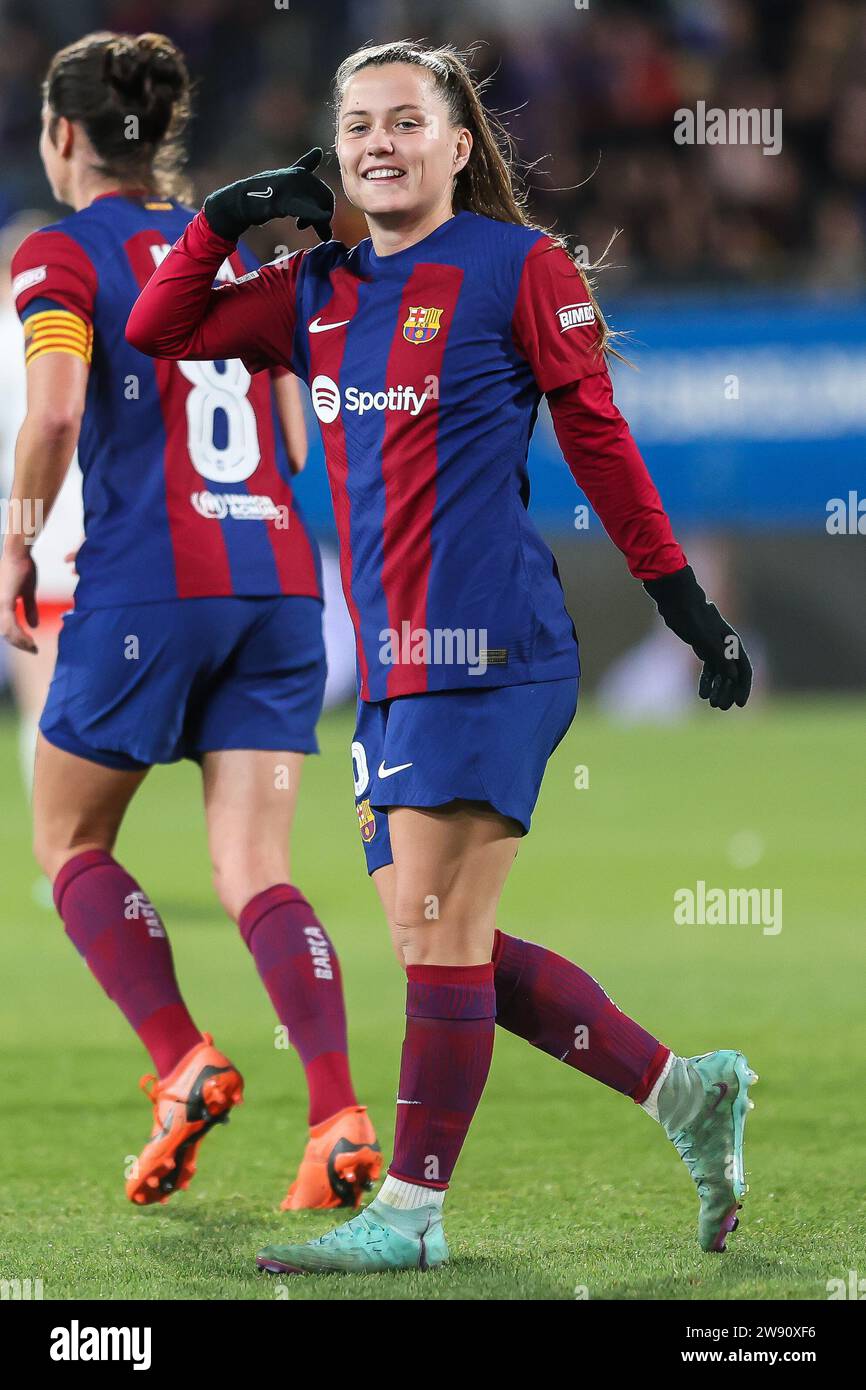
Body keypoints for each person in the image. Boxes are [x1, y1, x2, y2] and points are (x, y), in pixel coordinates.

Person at [127, 39, 756, 1274]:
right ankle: (687, 1093)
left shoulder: (515, 267)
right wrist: (223, 216)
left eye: (404, 121)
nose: (377, 142)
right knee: (444, 947)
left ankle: (411, 1215)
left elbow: (600, 444)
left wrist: (685, 608)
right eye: (356, 122)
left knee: (437, 934)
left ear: (457, 146)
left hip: (494, 650)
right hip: (393, 673)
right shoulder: (314, 289)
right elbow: (161, 325)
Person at [0, 30, 380, 1212]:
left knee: (68, 843)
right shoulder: (232, 250)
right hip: (275, 580)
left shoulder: (58, 255)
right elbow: (306, 425)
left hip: (144, 586)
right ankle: (337, 1115)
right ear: (160, 136)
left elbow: (56, 411)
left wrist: (14, 532)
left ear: (63, 135)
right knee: (253, 866)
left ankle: (182, 1059)